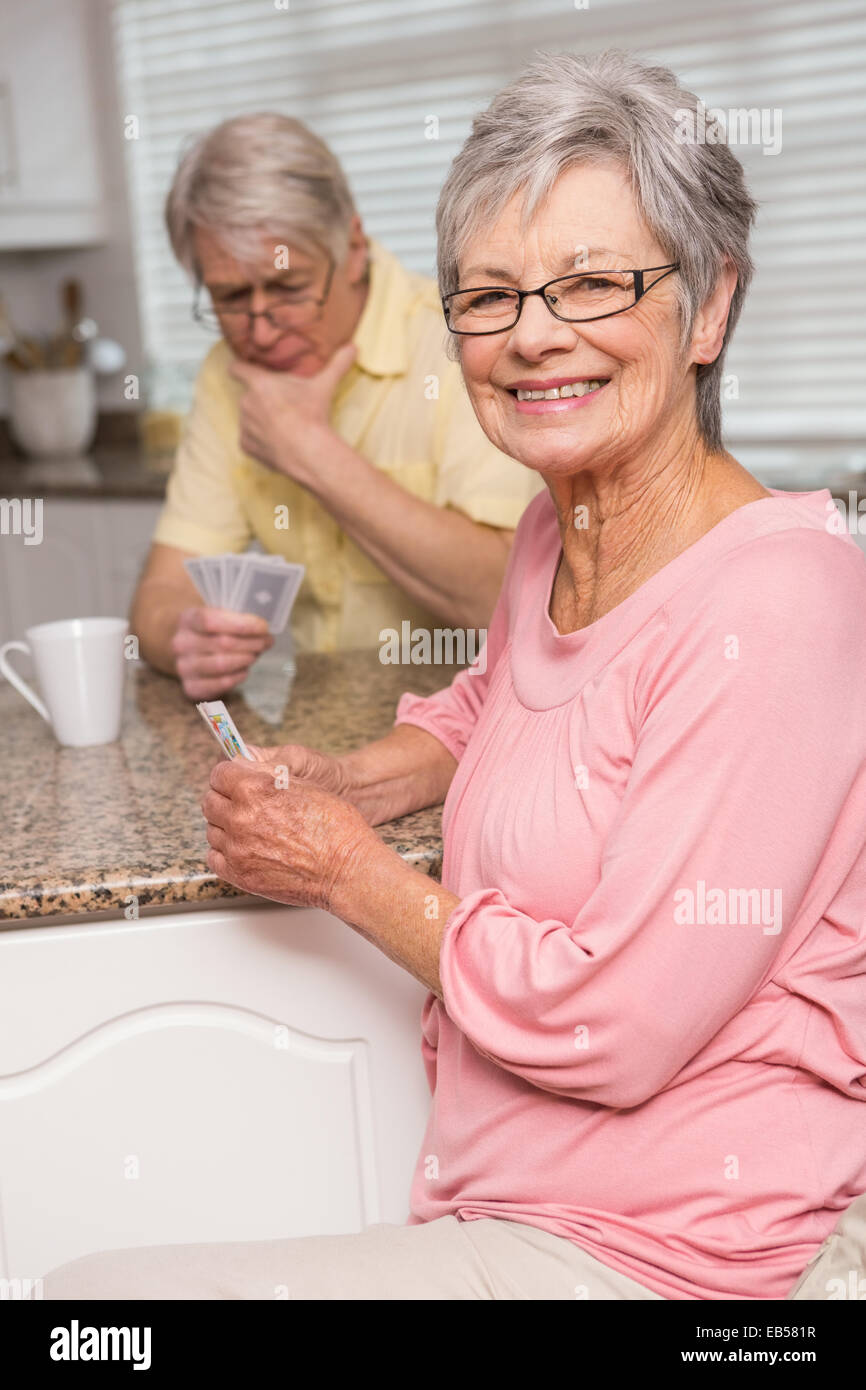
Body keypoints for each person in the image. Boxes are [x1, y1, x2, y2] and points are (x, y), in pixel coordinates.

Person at [45, 50, 866, 1301]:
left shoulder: (778, 600)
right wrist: (360, 780)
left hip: (671, 1263)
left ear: (706, 308)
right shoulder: (557, 526)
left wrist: (345, 867)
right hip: (518, 1208)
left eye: (590, 283)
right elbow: (504, 693)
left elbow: (614, 1023)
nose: (531, 335)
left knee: (86, 1313)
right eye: (489, 295)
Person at [130, 113, 542, 701]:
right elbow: (158, 596)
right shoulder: (228, 374)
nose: (261, 331)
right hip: (321, 720)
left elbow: (500, 600)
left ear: (351, 248)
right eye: (231, 297)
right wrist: (184, 638)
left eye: (288, 288)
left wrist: (310, 453)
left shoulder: (462, 342)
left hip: (479, 719)